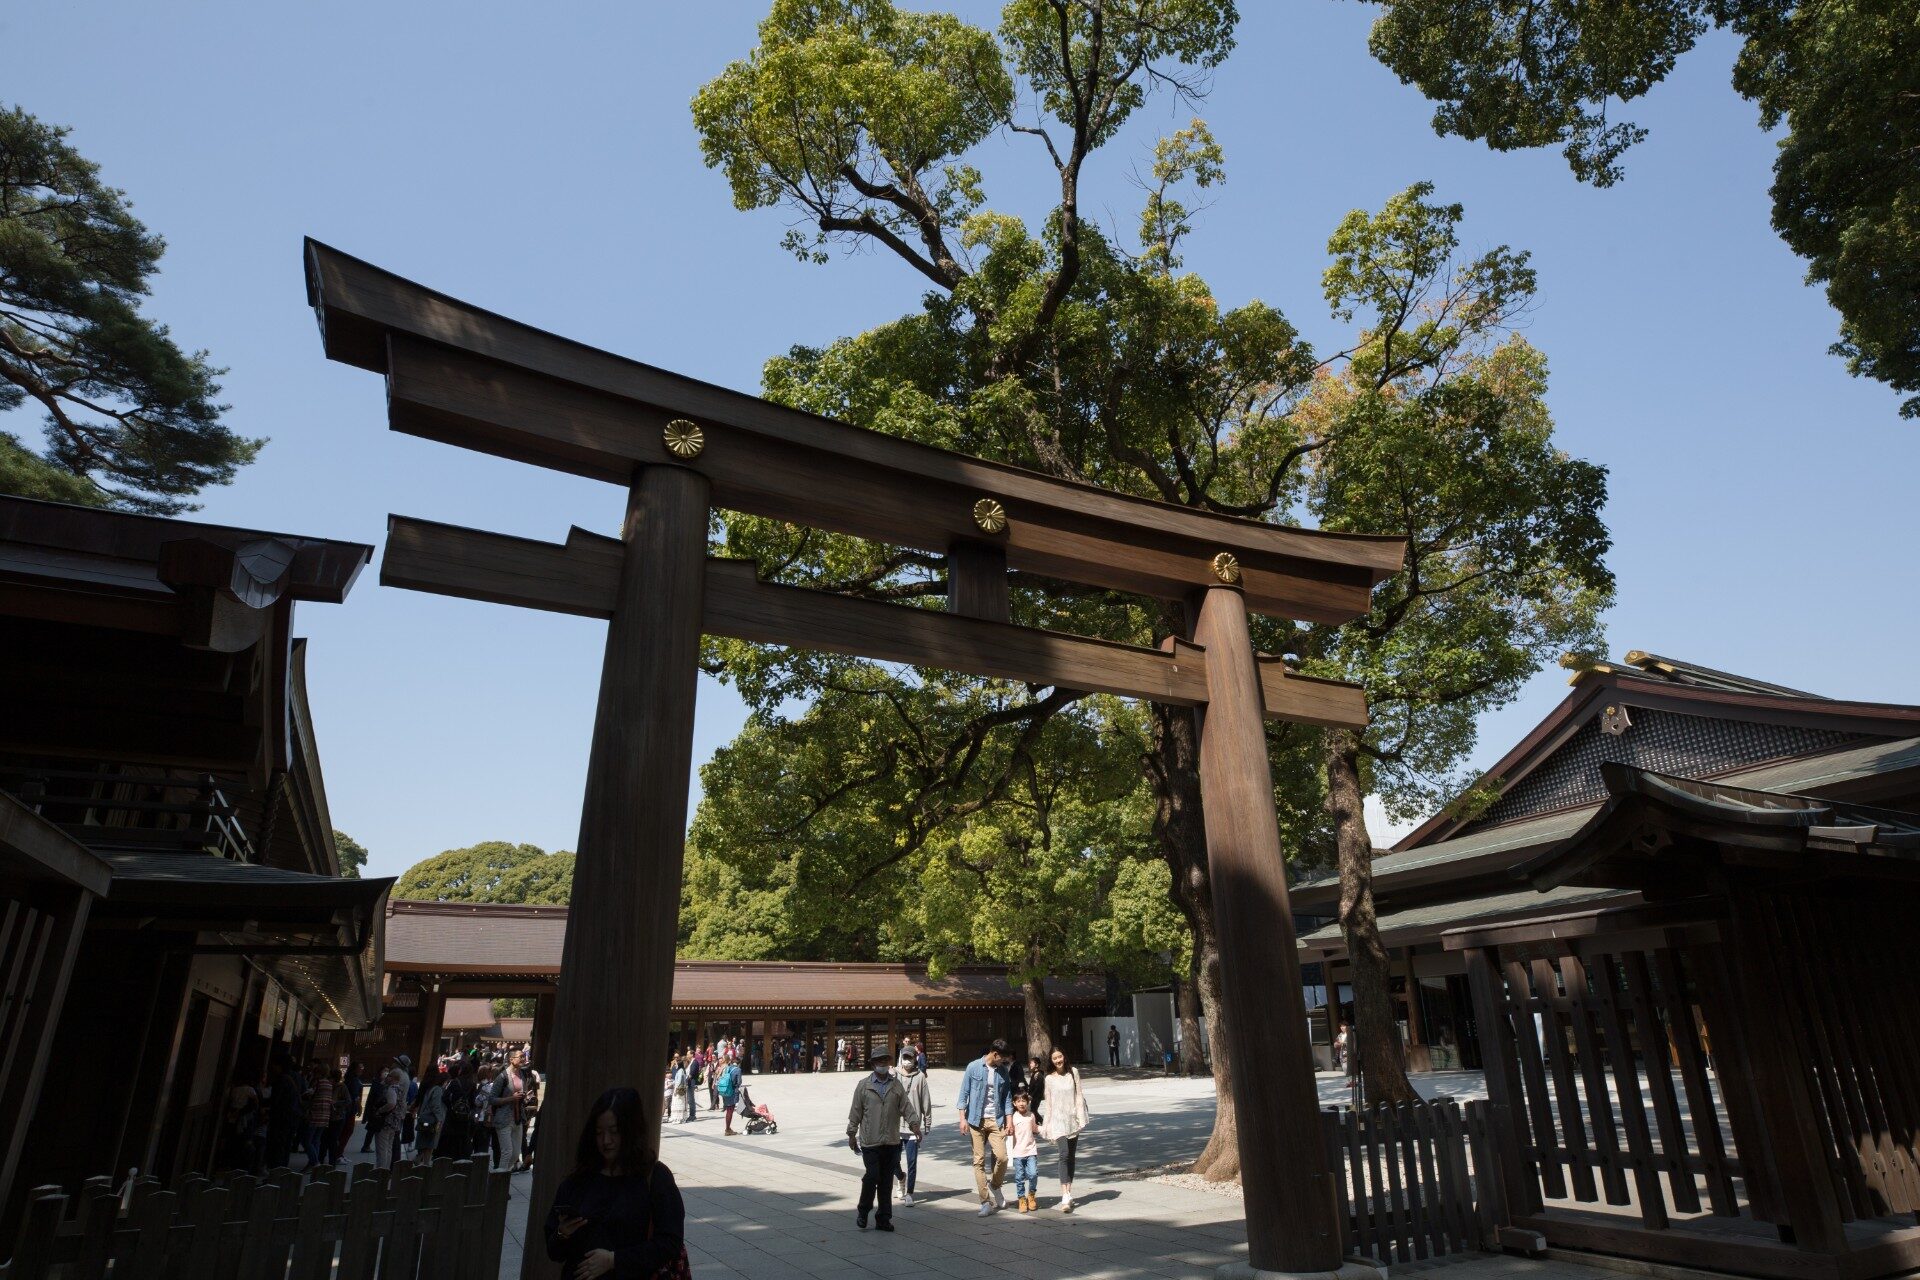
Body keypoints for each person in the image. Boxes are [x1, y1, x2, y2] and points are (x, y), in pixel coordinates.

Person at [545, 1087, 686, 1280]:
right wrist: (562, 1233)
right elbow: (554, 1252)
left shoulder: (655, 1177)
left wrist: (615, 1260)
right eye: (599, 1133)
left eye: (614, 1132)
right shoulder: (578, 1179)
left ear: (631, 1131)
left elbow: (670, 1241)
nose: (606, 1141)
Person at [848, 1050, 918, 1232]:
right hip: (870, 1142)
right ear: (873, 1064)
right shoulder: (863, 1086)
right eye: (879, 1061)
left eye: (885, 1060)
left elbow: (906, 1107)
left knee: (886, 1181)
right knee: (872, 1176)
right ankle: (863, 1211)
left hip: (891, 1141)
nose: (882, 1064)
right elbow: (856, 1111)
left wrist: (914, 1125)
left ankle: (883, 1218)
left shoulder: (895, 1086)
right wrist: (851, 1133)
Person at [956, 1039, 1012, 1217]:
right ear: (995, 1054)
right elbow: (964, 1093)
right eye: (1002, 1059)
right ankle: (985, 1201)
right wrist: (962, 1118)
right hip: (975, 1120)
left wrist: (1009, 1120)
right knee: (978, 1161)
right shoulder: (973, 1067)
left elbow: (1007, 1097)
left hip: (996, 1119)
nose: (1003, 1062)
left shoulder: (1003, 1071)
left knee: (1002, 1157)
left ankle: (995, 1185)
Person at [1041, 1047, 1090, 1212]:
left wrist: (1080, 1116)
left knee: (1071, 1157)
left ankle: (1069, 1192)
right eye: (1054, 1058)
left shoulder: (1073, 1072)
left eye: (1060, 1056)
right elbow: (1048, 1103)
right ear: (1051, 1060)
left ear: (1064, 1056)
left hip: (1072, 1119)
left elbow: (1079, 1095)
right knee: (1064, 1154)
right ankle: (1064, 1194)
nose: (1058, 1060)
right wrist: (1046, 1125)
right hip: (1057, 1121)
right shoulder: (1048, 1079)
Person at [893, 1048, 931, 1206]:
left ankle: (910, 1193)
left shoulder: (920, 1077)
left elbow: (926, 1101)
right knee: (892, 1160)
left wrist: (927, 1122)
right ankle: (901, 1177)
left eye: (910, 1057)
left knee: (912, 1161)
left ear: (915, 1059)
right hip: (894, 1125)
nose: (907, 1060)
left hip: (912, 1127)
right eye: (905, 1057)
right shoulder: (894, 1074)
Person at [220, 1066, 262, 1173]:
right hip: (245, 1119)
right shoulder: (250, 1090)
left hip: (232, 1117)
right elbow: (255, 1103)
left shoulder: (233, 1089)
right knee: (246, 1142)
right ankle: (243, 1167)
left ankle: (230, 1164)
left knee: (233, 1141)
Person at [1007, 1090, 1041, 1212]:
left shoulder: (1031, 1115)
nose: (1021, 1103)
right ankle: (1021, 1198)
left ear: (1028, 1102)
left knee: (1033, 1174)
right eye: (1018, 1101)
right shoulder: (1013, 1117)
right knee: (1019, 1177)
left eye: (1024, 1101)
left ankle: (1031, 1195)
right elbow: (1008, 1131)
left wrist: (1047, 1128)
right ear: (1014, 1103)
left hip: (1031, 1151)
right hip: (1018, 1153)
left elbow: (1035, 1128)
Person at [495, 1053, 528, 1171]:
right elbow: (492, 1099)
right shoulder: (502, 1076)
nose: (523, 1059)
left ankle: (504, 1175)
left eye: (524, 1056)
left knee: (515, 1154)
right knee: (507, 1152)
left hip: (518, 1117)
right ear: (511, 1059)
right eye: (521, 1057)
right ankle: (499, 1181)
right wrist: (511, 1098)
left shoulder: (523, 1074)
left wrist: (525, 1097)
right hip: (504, 1118)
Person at [304, 1066, 338, 1168]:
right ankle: (314, 1161)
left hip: (315, 1114)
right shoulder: (329, 1084)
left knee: (307, 1141)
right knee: (316, 1140)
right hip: (325, 1115)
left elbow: (311, 1095)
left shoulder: (318, 1082)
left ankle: (314, 1161)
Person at [442, 1060, 475, 1161]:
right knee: (464, 1138)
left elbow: (445, 1097)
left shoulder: (455, 1082)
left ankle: (449, 1157)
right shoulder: (472, 1084)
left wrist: (451, 1106)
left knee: (451, 1138)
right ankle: (462, 1158)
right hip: (466, 1115)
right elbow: (473, 1101)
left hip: (453, 1115)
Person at [416, 1066, 447, 1162]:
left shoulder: (431, 1088)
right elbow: (435, 1106)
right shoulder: (438, 1090)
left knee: (426, 1143)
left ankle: (419, 1160)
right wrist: (440, 1118)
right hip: (433, 1120)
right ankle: (425, 1165)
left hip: (426, 1118)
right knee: (430, 1145)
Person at [715, 1052, 743, 1136]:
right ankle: (727, 1129)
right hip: (732, 1092)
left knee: (728, 1109)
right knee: (730, 1110)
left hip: (725, 1090)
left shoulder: (727, 1068)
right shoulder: (738, 1069)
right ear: (738, 1063)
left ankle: (728, 1128)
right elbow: (739, 1082)